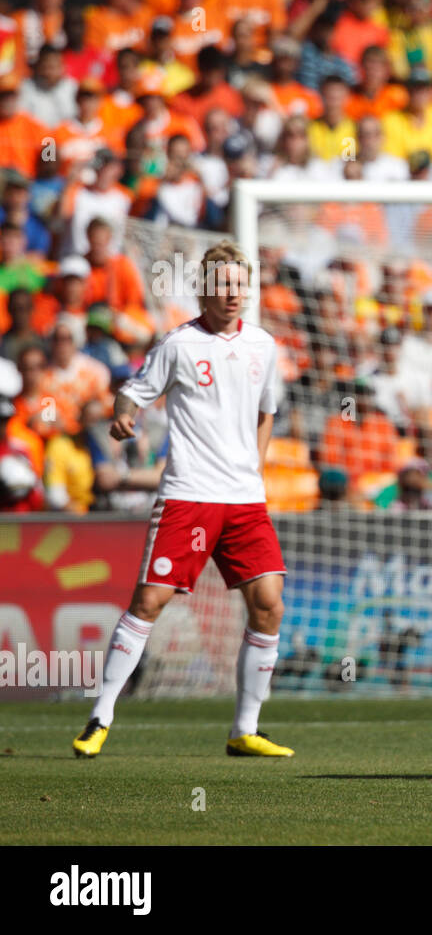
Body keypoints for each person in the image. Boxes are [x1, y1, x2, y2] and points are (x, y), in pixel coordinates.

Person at [72, 240, 292, 759]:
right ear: (204, 291)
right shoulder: (179, 344)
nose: (234, 293)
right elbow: (134, 390)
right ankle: (100, 715)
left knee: (268, 604)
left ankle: (245, 729)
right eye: (223, 285)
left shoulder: (263, 346)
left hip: (243, 501)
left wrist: (254, 470)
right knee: (149, 601)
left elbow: (267, 412)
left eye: (241, 284)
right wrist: (124, 413)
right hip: (189, 495)